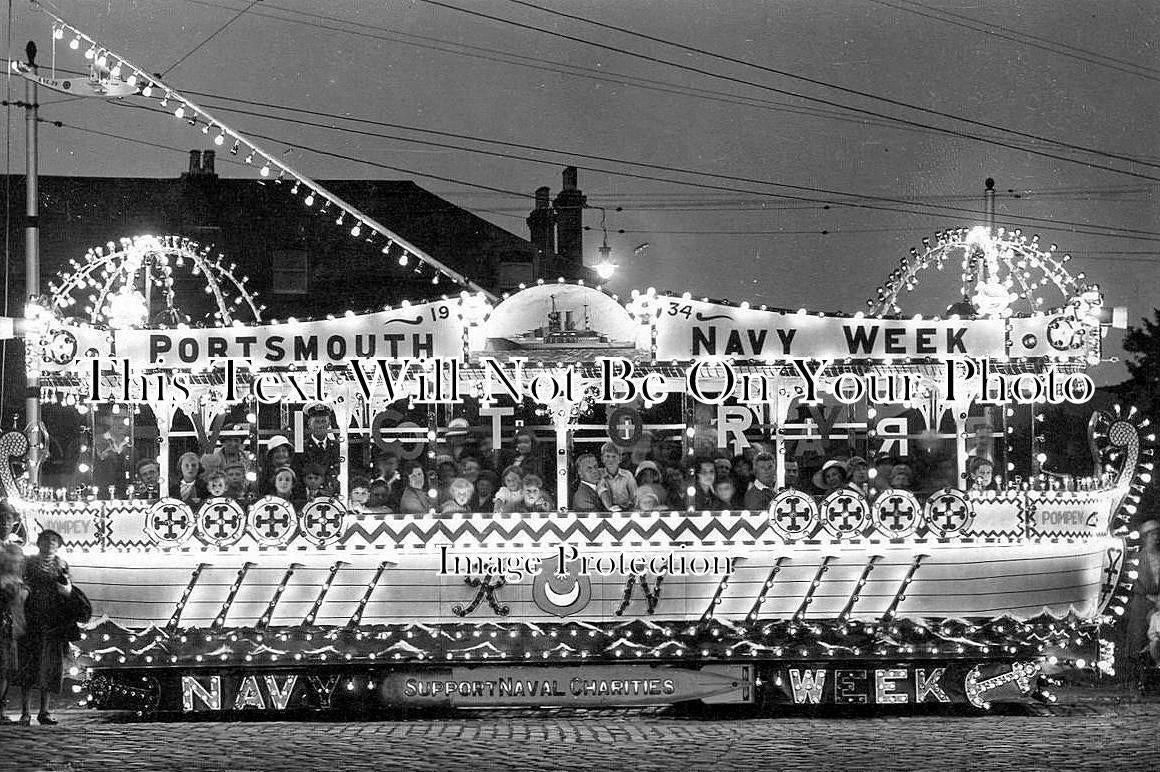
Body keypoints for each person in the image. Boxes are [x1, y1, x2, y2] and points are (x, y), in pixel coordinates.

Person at [15, 530, 73, 725]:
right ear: (39, 542)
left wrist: (66, 589)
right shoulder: (29, 562)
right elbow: (22, 583)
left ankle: (44, 711)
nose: (50, 543)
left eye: (55, 540)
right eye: (47, 540)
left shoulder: (62, 565)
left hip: (53, 623)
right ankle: (25, 712)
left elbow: (68, 590)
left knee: (49, 667)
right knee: (29, 666)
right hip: (32, 619)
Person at [1128, 520, 1160, 686]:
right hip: (1142, 601)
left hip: (1158, 602)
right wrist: (1147, 596)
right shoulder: (1137, 558)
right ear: (1146, 537)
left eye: (1157, 534)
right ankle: (1137, 678)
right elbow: (1134, 582)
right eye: (1153, 534)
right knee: (1138, 637)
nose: (1156, 538)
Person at [0, 543, 27, 723]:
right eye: (10, 561)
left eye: (16, 562)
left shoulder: (20, 582)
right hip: (3, 626)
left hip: (10, 630)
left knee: (5, 671)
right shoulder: (4, 581)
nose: (13, 565)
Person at [298, 404, 340, 487]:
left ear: (329, 424)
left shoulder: (337, 447)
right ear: (309, 424)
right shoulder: (302, 448)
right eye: (317, 422)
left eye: (324, 421)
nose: (320, 425)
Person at [92, 418, 132, 499]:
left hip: (124, 498)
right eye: (117, 418)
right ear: (108, 421)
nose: (121, 422)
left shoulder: (131, 447)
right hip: (99, 496)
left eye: (125, 419)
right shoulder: (95, 441)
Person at [597, 442, 637, 511]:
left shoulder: (627, 475)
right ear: (602, 458)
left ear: (620, 459)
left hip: (625, 511)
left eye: (614, 456)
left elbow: (634, 497)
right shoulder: (599, 474)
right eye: (607, 456)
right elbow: (600, 490)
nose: (611, 460)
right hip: (605, 512)